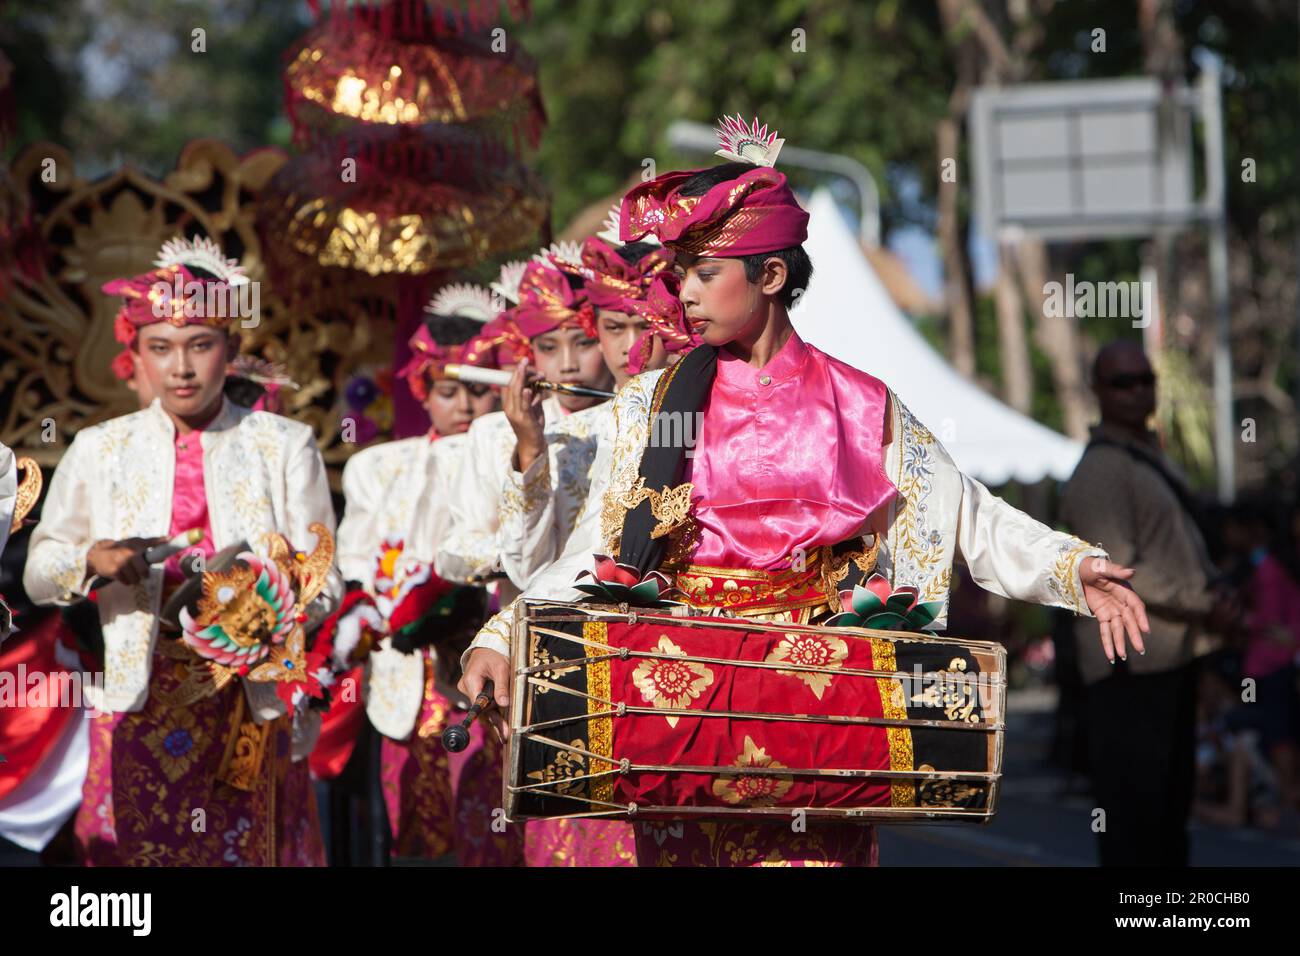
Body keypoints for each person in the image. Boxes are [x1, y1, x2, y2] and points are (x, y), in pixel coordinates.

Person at [460, 115, 1149, 867]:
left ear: (772, 275)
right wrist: (502, 634)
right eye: (681, 274)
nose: (683, 294)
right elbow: (602, 547)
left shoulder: (859, 402)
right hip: (681, 703)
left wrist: (1074, 569)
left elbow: (971, 517)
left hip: (819, 707)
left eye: (704, 272)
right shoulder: (654, 406)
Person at [24, 235, 341, 866]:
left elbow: (325, 582)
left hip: (249, 703)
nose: (182, 368)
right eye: (161, 349)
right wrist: (92, 561)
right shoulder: (98, 449)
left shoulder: (285, 445)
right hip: (138, 701)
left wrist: (263, 611)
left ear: (231, 350)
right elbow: (37, 574)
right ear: (136, 355)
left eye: (200, 345)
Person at [336, 283, 518, 864]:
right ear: (423, 391)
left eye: (477, 390)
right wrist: (397, 608)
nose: (463, 404)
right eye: (447, 390)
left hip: (497, 670)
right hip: (405, 679)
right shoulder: (379, 468)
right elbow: (357, 563)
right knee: (416, 835)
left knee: (495, 833)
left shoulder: (525, 457)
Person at [1062, 339, 1224, 866]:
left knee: (1168, 823)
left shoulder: (1146, 456)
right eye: (1121, 383)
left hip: (1166, 663)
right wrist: (1204, 601)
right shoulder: (1102, 471)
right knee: (1137, 827)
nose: (1137, 392)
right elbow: (1120, 573)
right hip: (1130, 670)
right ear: (1098, 391)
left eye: (1145, 380)